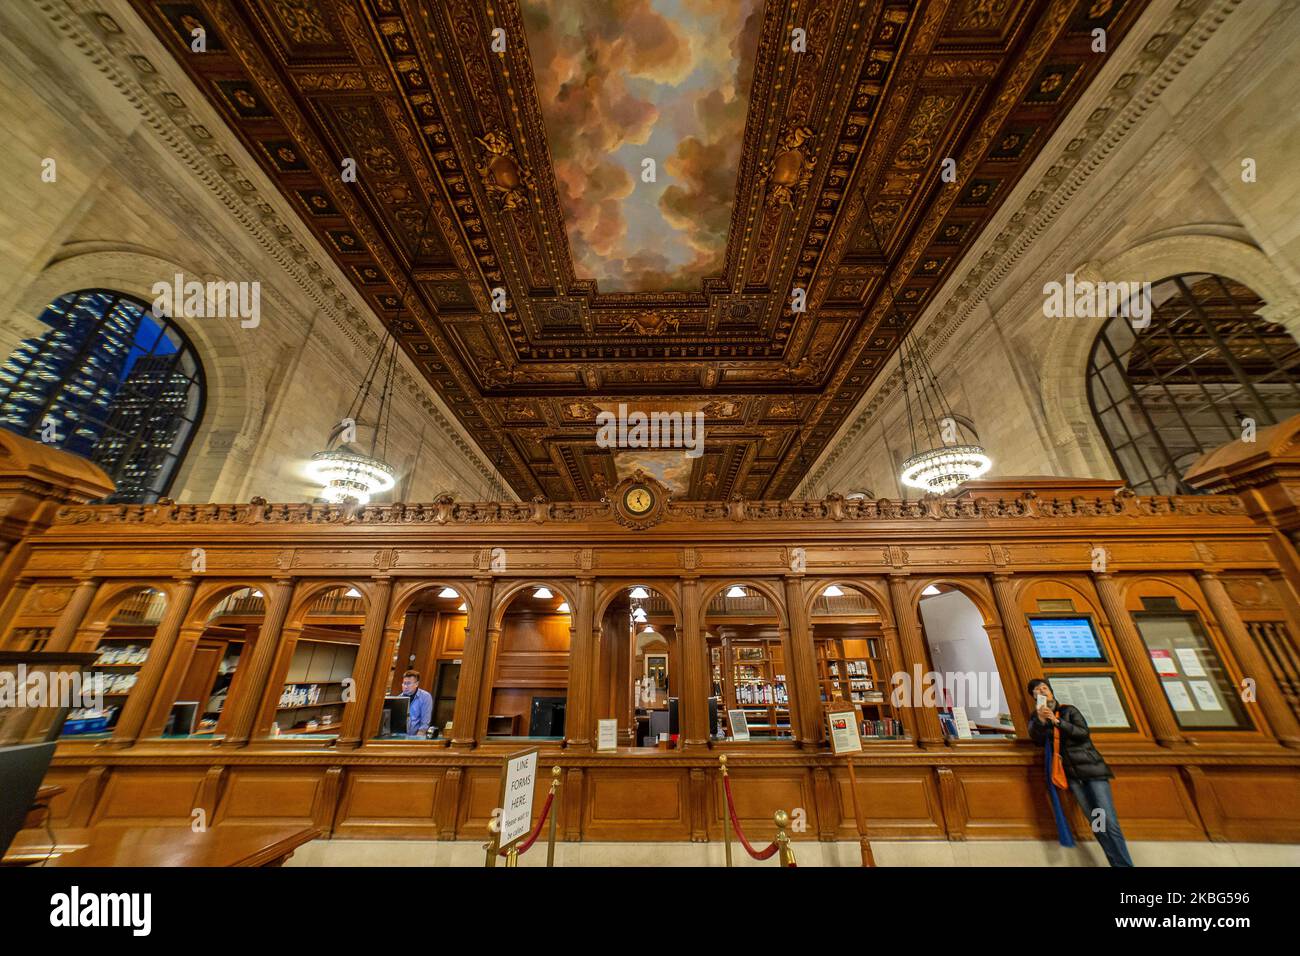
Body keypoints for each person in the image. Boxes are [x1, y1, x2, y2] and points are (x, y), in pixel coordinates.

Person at [1026, 678, 1134, 867]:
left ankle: (1124, 865)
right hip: (1072, 776)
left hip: (1093, 772)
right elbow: (1037, 740)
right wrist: (1042, 722)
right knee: (1097, 822)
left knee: (1108, 820)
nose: (1042, 691)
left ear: (1051, 691)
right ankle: (1115, 862)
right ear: (1033, 696)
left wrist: (1057, 721)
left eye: (1044, 688)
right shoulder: (1036, 718)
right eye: (1037, 690)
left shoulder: (1069, 711)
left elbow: (1082, 733)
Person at [401, 670, 433, 739]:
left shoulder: (425, 697)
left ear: (416, 684)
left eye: (409, 683)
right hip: (400, 737)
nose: (405, 686)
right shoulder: (399, 698)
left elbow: (424, 724)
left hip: (417, 737)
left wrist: (416, 740)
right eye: (404, 683)